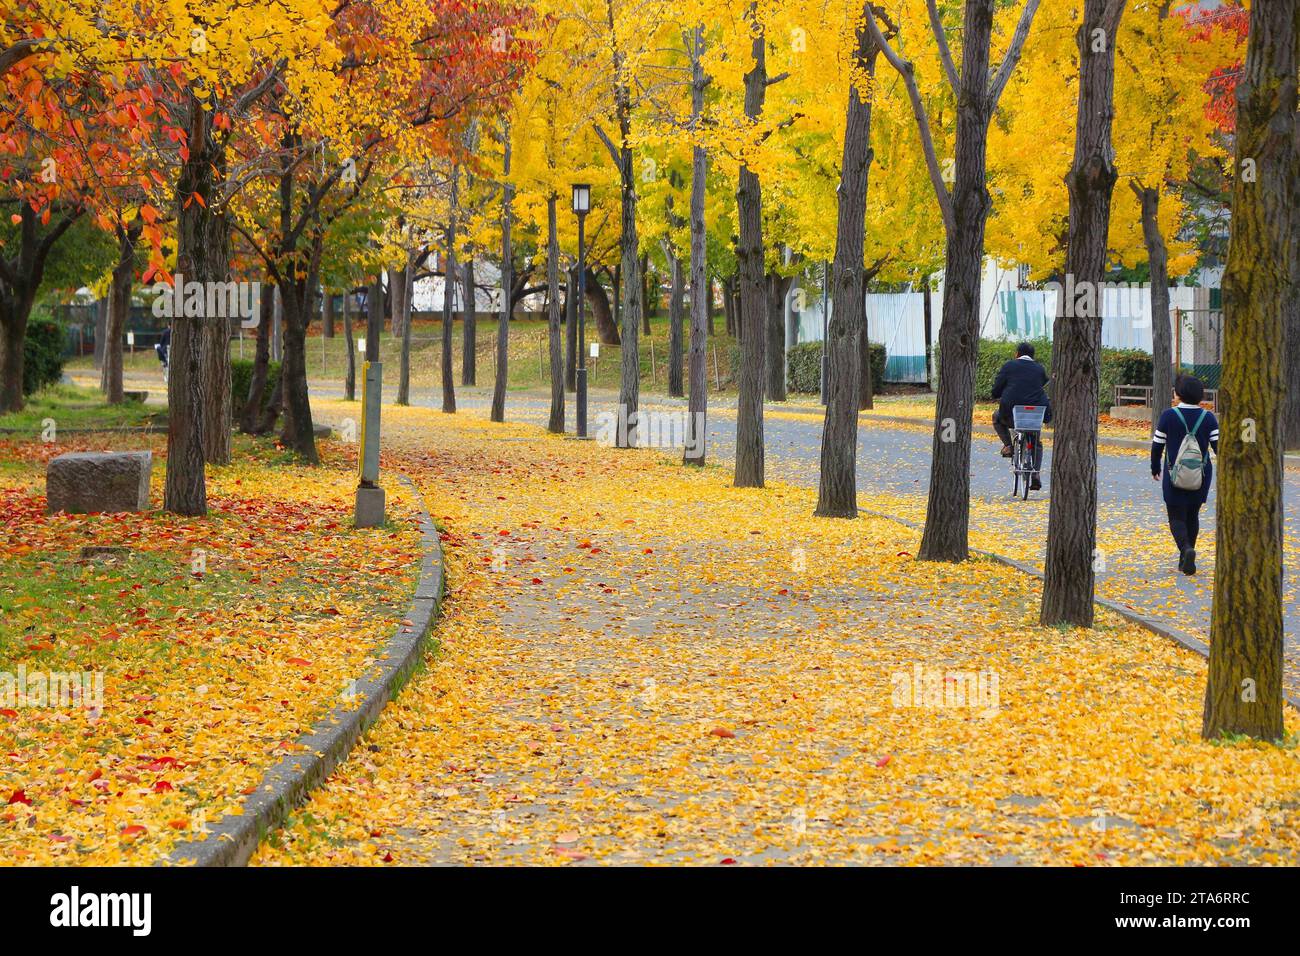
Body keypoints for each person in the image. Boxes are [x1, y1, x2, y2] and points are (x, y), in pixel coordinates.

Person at [1151, 375, 1219, 575]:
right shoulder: (1208, 417)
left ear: (1178, 394)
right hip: (1201, 475)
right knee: (1192, 514)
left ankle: (1186, 549)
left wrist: (1155, 467)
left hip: (1175, 474)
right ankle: (1186, 558)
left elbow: (1157, 446)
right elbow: (1217, 446)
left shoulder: (1168, 416)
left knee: (1176, 516)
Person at [991, 342, 1052, 489]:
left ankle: (1008, 446)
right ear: (1033, 356)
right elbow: (1044, 382)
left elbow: (997, 389)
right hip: (1035, 414)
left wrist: (997, 394)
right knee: (1036, 441)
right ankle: (1036, 473)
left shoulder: (1009, 366)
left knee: (996, 417)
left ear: (1017, 354)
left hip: (1011, 413)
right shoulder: (1039, 368)